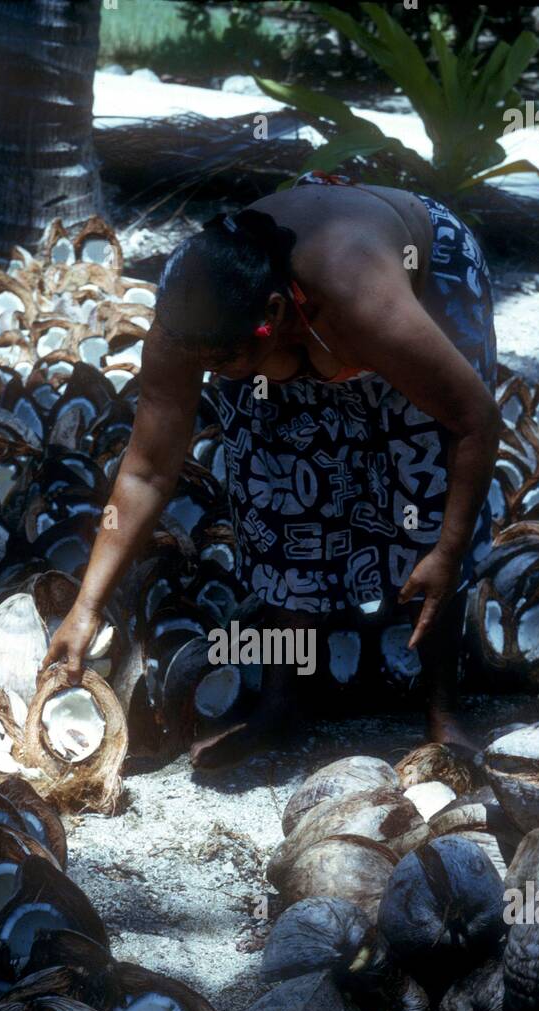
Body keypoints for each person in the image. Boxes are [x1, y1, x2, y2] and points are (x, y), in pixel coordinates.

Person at [42, 172, 500, 764]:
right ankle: (282, 706)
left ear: (276, 314)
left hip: (415, 271)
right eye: (204, 364)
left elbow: (474, 422)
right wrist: (86, 607)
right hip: (282, 328)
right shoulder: (192, 322)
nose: (215, 374)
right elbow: (147, 471)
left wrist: (447, 552)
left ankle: (443, 711)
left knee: (424, 476)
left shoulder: (360, 297)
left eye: (223, 362)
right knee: (279, 498)